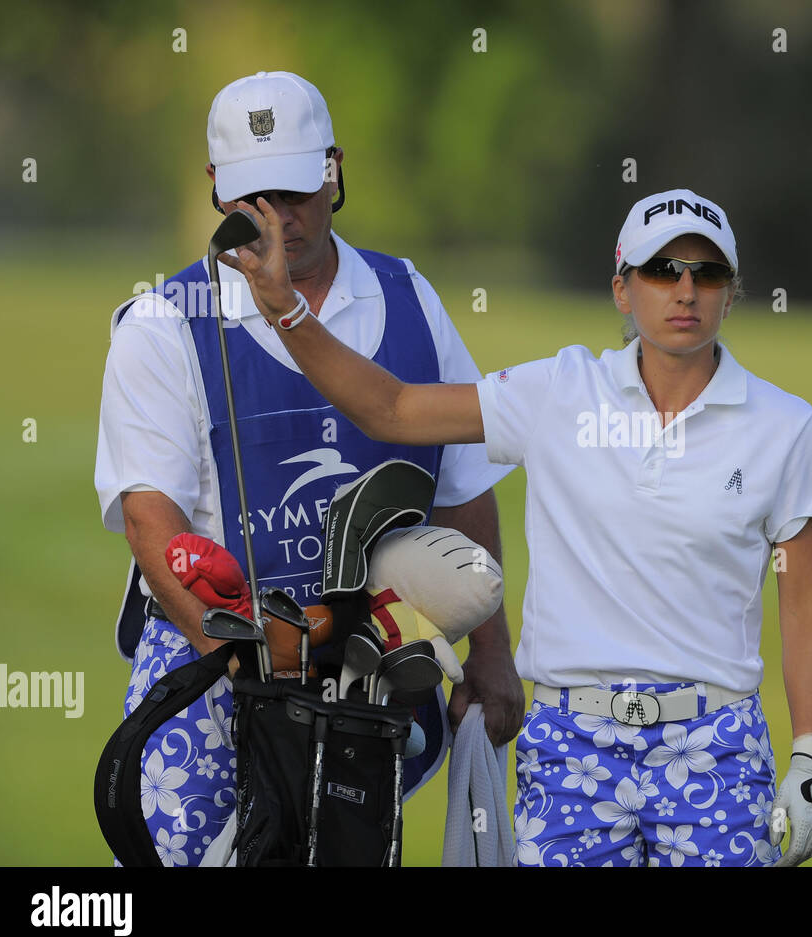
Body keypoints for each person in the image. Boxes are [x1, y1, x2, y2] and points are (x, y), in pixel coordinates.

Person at [222, 186, 812, 867]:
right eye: (662, 270)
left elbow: (804, 600)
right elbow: (392, 409)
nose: (685, 290)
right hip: (572, 743)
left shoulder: (785, 427)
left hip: (716, 746)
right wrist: (285, 309)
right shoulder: (561, 391)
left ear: (731, 293)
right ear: (622, 291)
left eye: (708, 273)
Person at [94, 71, 524, 865]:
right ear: (218, 191)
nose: (275, 219)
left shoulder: (409, 297)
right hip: (211, 655)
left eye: (293, 189)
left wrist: (493, 658)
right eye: (250, 198)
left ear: (334, 171)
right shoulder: (160, 326)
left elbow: (463, 490)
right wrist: (248, 665)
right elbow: (156, 530)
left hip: (373, 663)